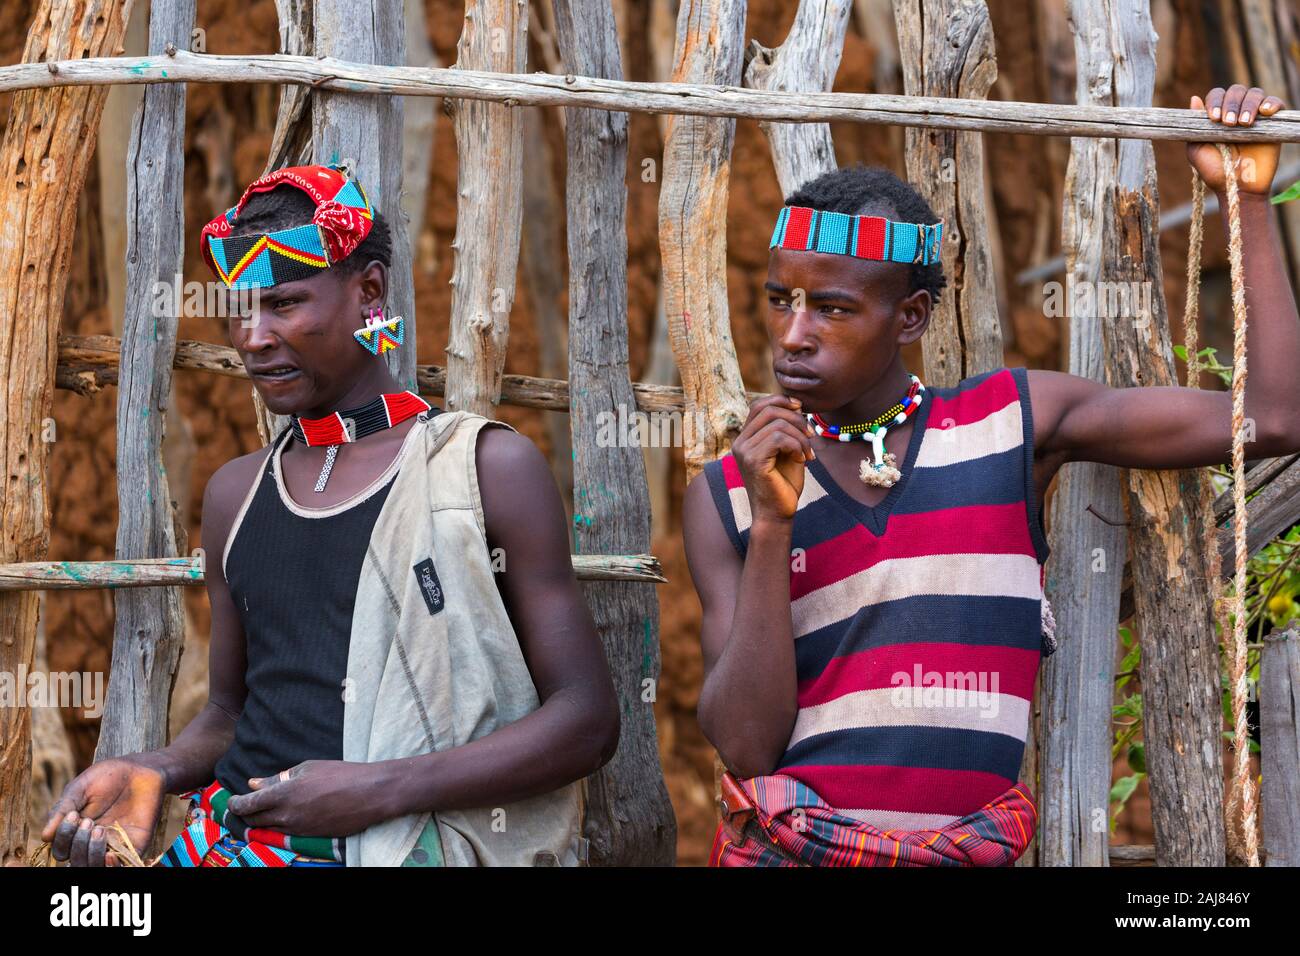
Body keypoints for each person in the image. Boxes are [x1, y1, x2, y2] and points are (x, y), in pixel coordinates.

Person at [683, 85, 1300, 866]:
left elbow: (1274, 418)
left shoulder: (1010, 421)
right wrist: (775, 526)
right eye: (781, 302)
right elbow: (745, 746)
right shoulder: (728, 496)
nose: (793, 336)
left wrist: (1246, 200)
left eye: (833, 310)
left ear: (909, 317)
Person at [42, 163, 619, 867]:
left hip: (410, 844)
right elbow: (230, 713)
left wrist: (381, 791)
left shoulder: (481, 470)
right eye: (240, 309)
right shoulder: (237, 495)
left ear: (368, 293)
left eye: (283, 304)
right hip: (230, 847)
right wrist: (156, 770)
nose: (252, 336)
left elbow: (587, 721)